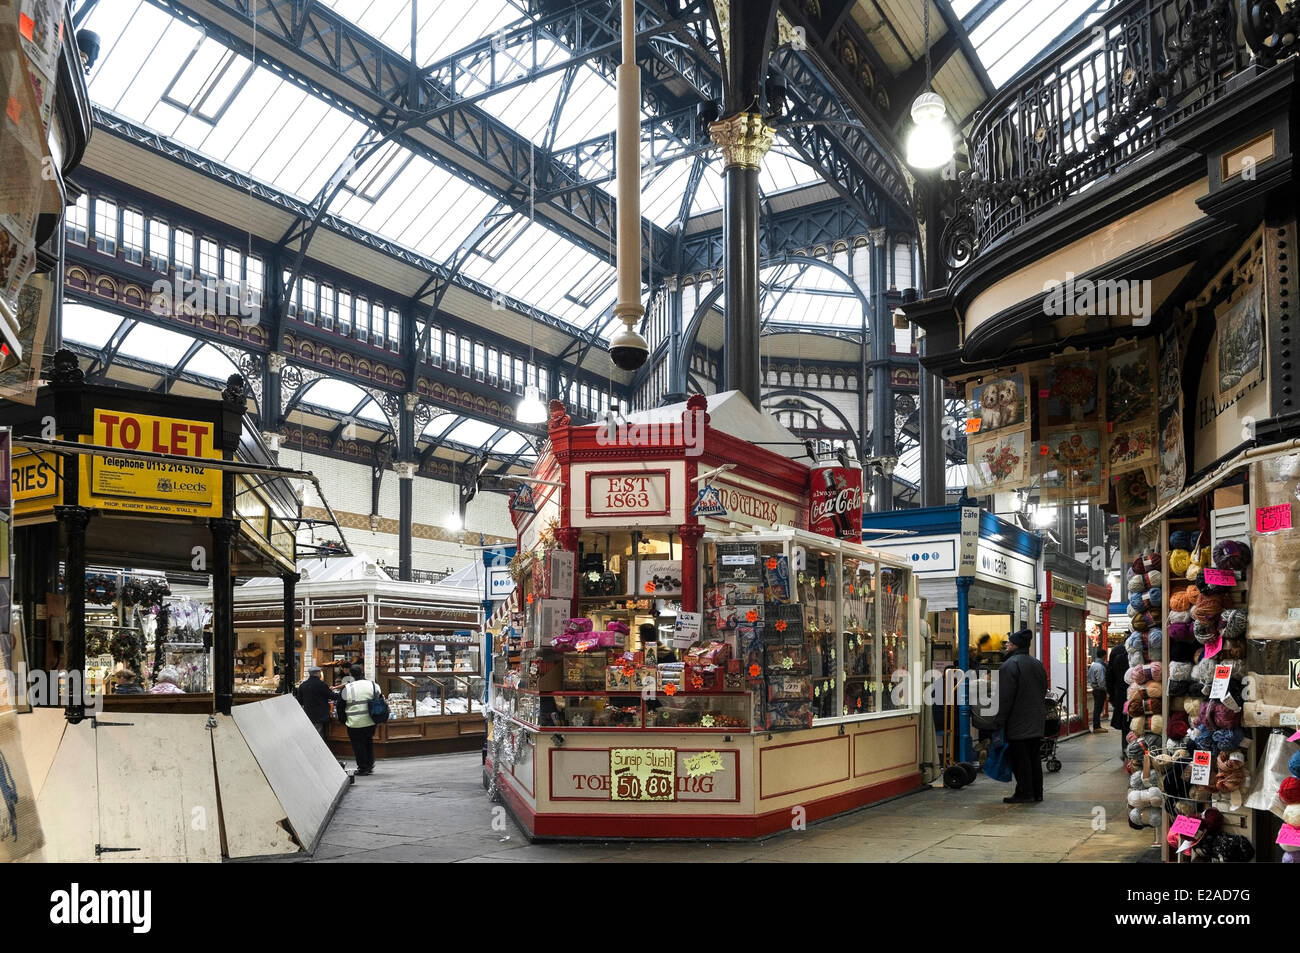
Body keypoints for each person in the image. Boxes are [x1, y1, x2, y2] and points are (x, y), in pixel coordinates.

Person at [995, 628, 1047, 804]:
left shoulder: (1010, 665)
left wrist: (999, 719)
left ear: (1015, 645)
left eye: (1009, 643)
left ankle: (1025, 792)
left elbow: (1005, 697)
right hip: (1036, 720)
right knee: (1033, 758)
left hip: (1018, 721)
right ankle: (1036, 792)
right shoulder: (1037, 663)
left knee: (1020, 759)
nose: (1007, 645)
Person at [338, 664, 380, 775]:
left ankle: (363, 767)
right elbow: (379, 698)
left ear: (350, 675)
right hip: (370, 720)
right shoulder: (373, 684)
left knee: (358, 745)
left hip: (354, 722)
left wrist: (343, 720)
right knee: (368, 742)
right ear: (362, 673)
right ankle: (370, 765)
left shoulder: (347, 688)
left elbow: (340, 706)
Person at [294, 666, 339, 740]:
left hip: (308, 715)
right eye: (320, 672)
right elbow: (332, 696)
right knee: (319, 737)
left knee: (310, 736)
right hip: (320, 716)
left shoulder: (302, 686)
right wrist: (341, 694)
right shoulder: (321, 685)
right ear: (318, 673)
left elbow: (300, 701)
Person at [1107, 636, 1132, 759]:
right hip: (1132, 694)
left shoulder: (1116, 654)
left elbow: (1110, 677)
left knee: (1125, 725)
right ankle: (1132, 751)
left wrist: (1111, 696)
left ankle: (1126, 750)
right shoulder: (1129, 656)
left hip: (1121, 696)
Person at [1087, 647, 1109, 733]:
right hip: (1099, 690)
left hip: (1095, 689)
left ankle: (1097, 725)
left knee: (1097, 708)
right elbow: (1101, 681)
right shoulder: (1100, 667)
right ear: (1104, 656)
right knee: (1098, 708)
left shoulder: (1094, 665)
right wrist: (1106, 690)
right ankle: (1096, 726)